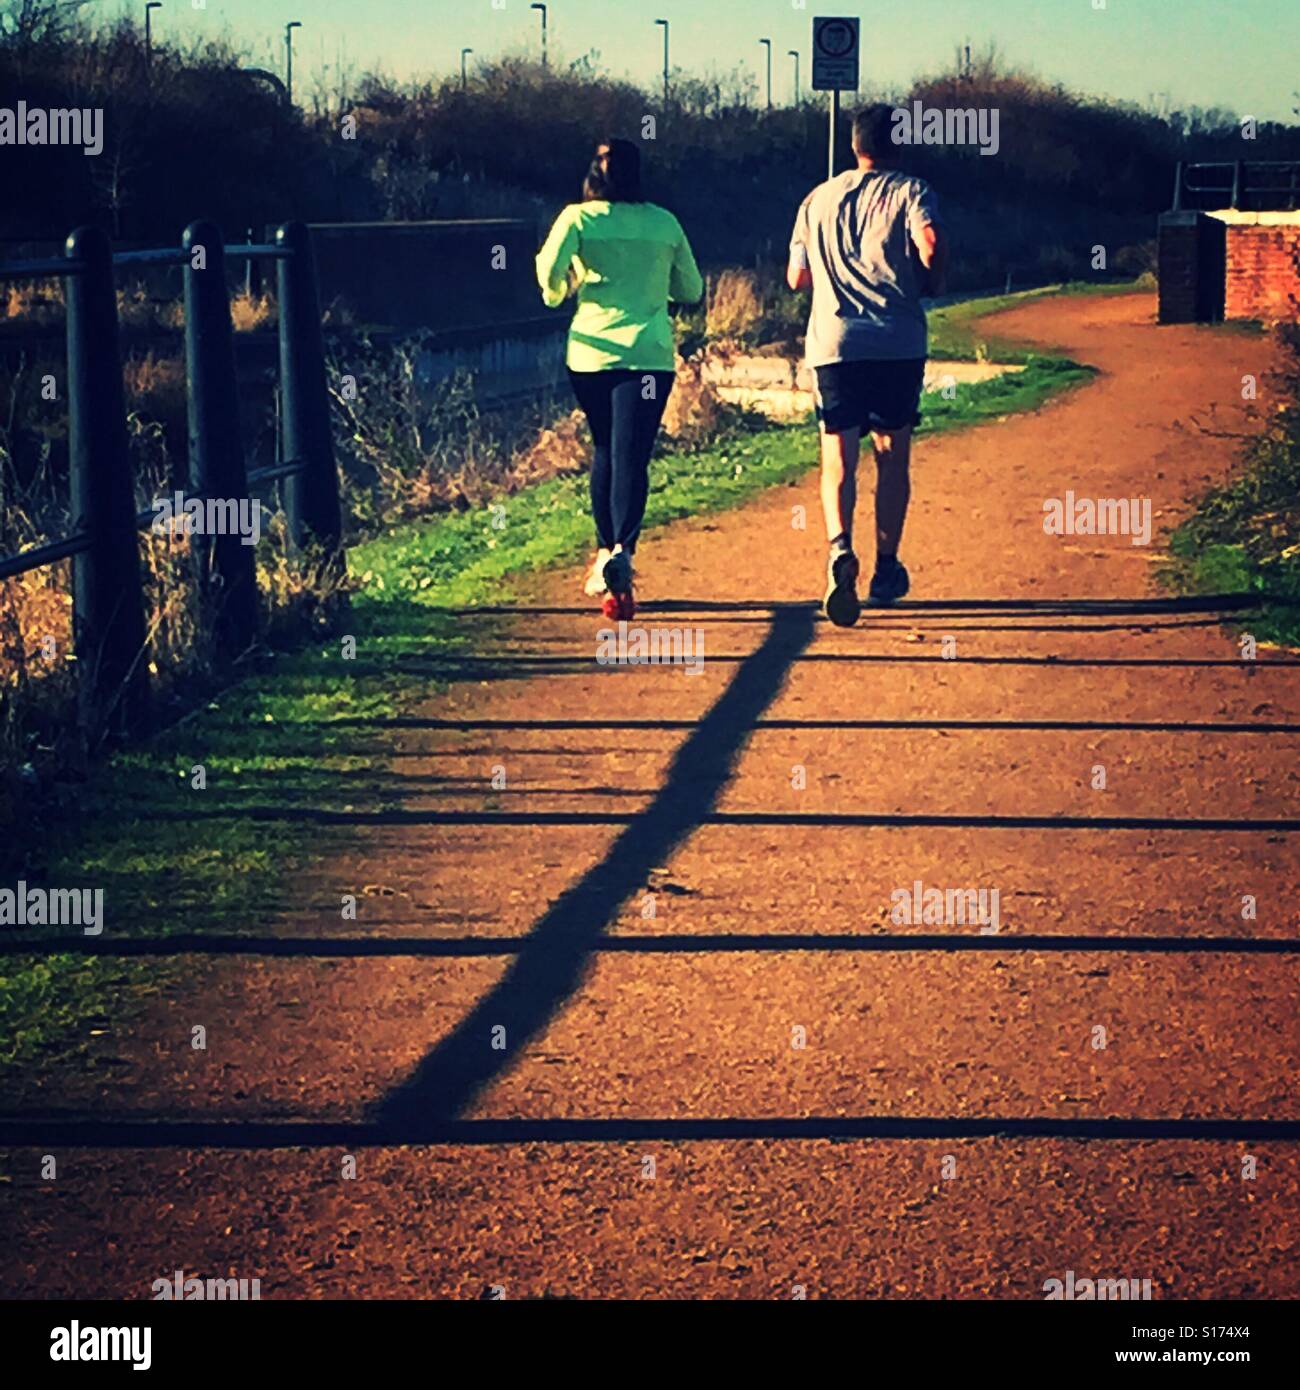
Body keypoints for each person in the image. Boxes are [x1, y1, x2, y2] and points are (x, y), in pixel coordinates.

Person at [787, 103, 949, 627]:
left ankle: (839, 551)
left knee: (838, 459)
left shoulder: (816, 198)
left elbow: (796, 277)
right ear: (897, 144)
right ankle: (885, 567)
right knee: (892, 457)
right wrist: (931, 279)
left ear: (855, 146)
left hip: (834, 344)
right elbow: (931, 242)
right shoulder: (912, 191)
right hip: (897, 343)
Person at [536, 138, 704, 620]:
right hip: (649, 355)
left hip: (590, 354)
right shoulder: (664, 223)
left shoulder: (578, 219)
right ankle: (621, 553)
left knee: (606, 448)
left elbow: (549, 273)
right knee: (632, 455)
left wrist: (561, 289)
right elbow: (690, 289)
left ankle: (603, 554)